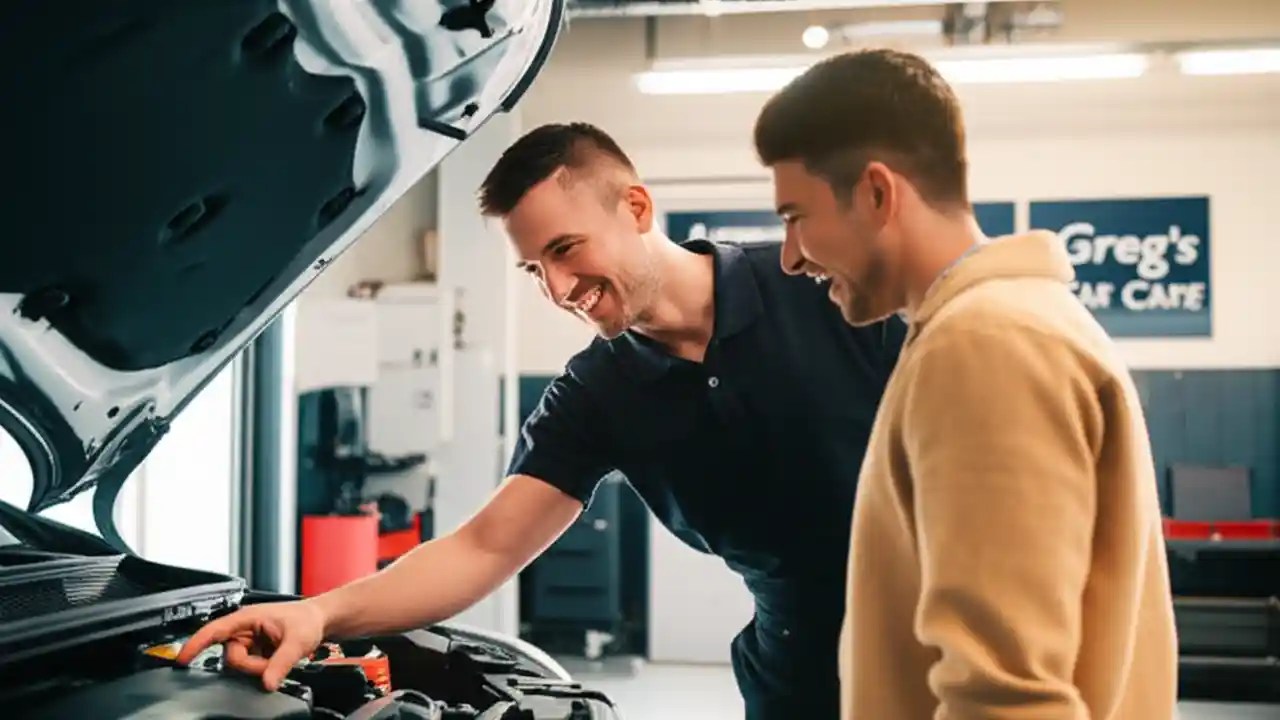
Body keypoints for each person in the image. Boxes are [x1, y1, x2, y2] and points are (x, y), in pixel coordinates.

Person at [178, 121, 905, 719]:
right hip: (799, 675)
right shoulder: (597, 392)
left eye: (565, 250)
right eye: (534, 270)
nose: (558, 290)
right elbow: (485, 547)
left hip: (944, 642)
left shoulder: (821, 290)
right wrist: (319, 615)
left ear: (638, 209)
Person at [751, 48, 1179, 720]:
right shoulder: (1015, 323)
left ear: (876, 194)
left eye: (794, 216)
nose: (789, 257)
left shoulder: (983, 346)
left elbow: (1006, 699)